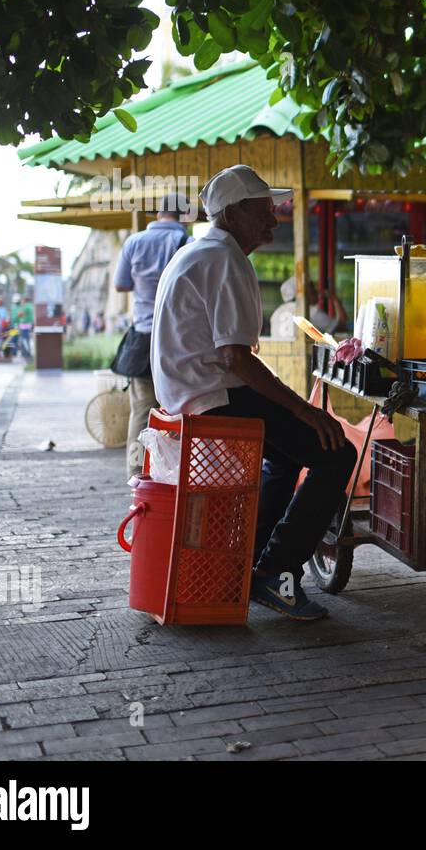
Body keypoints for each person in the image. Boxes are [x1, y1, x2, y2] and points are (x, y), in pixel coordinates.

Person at [152, 165, 354, 621]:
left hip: (193, 391)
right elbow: (235, 359)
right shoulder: (223, 258)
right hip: (214, 395)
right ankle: (276, 571)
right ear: (232, 213)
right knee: (335, 452)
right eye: (264, 211)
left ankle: (255, 565)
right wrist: (305, 411)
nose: (274, 221)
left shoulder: (200, 252)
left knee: (285, 457)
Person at [113, 193, 193, 477]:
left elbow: (121, 284)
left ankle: (136, 475)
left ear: (158, 214)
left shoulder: (134, 242)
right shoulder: (187, 244)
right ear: (185, 216)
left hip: (142, 336)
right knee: (178, 410)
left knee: (141, 410)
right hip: (176, 341)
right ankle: (173, 476)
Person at [10, 294, 34, 358]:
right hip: (16, 325)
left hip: (20, 325)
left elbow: (20, 315)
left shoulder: (24, 306)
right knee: (14, 338)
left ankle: (25, 353)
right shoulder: (13, 306)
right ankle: (15, 352)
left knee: (22, 339)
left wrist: (16, 319)